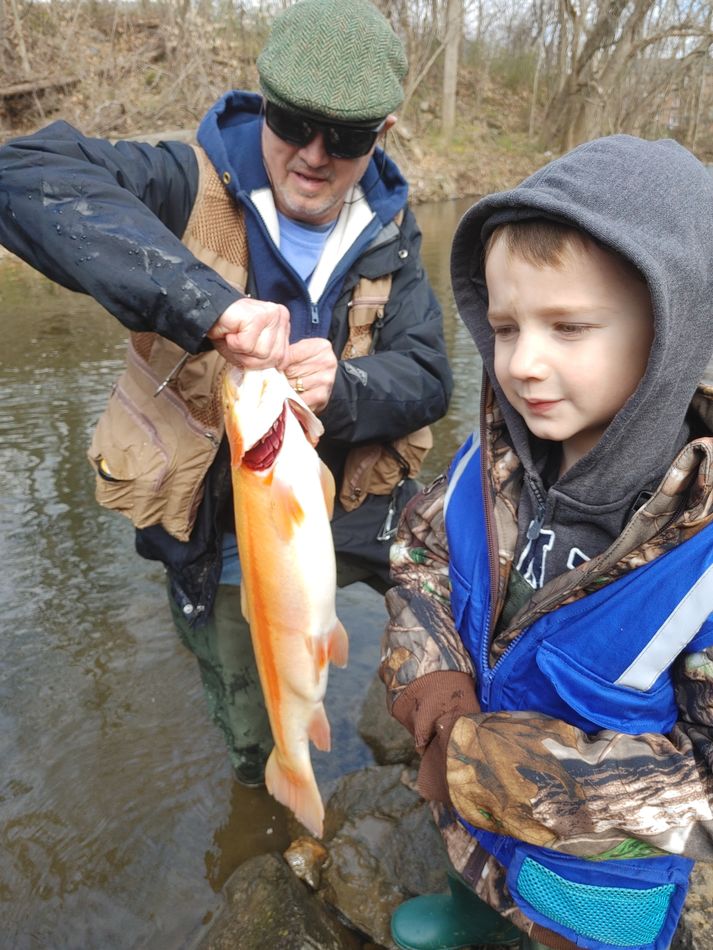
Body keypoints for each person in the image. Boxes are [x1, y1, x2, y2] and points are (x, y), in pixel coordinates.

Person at [0, 0, 452, 788]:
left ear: (381, 132)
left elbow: (428, 375)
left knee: (474, 598)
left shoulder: (391, 230)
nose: (313, 155)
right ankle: (272, 785)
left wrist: (346, 389)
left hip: (356, 509)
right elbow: (21, 175)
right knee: (254, 722)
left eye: (344, 137)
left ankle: (441, 753)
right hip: (218, 530)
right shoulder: (180, 182)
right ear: (264, 103)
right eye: (293, 122)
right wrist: (206, 306)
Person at [380, 134, 713, 950]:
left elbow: (701, 785)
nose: (522, 363)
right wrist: (433, 671)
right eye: (503, 327)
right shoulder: (484, 462)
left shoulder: (699, 559)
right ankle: (473, 910)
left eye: (568, 327)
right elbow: (420, 558)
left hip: (591, 889)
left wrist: (481, 764)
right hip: (470, 823)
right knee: (469, 862)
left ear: (671, 332)